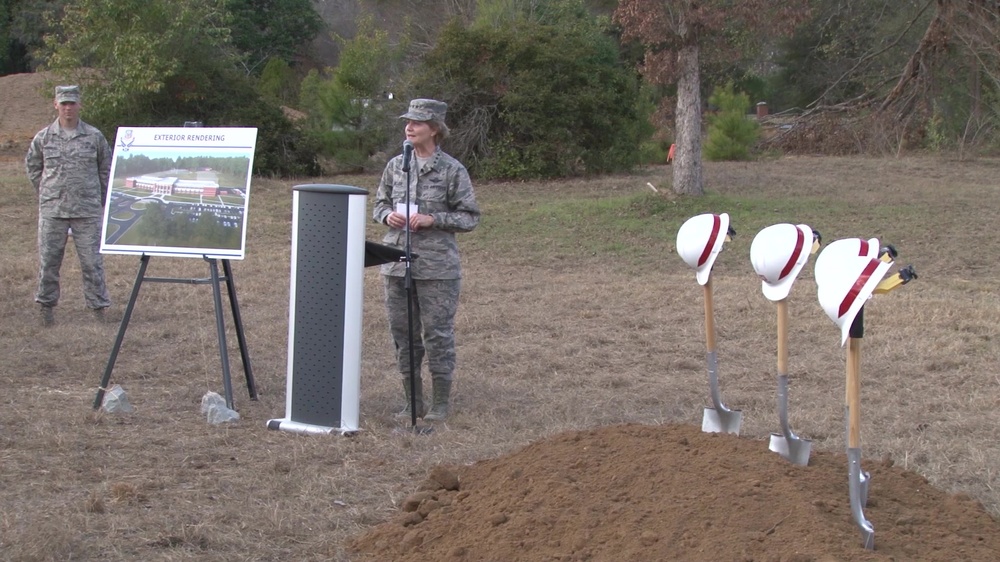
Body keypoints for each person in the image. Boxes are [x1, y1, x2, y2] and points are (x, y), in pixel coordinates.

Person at [373, 98, 481, 421]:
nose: (409, 127)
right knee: (403, 336)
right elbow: (378, 205)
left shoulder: (452, 170)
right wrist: (387, 216)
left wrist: (434, 219)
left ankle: (440, 403)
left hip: (436, 269)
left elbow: (470, 217)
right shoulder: (395, 166)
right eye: (408, 122)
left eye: (417, 123)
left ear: (434, 129)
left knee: (437, 335)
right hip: (396, 264)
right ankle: (413, 402)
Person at [25, 85, 113, 326]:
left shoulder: (94, 137)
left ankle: (98, 309)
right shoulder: (44, 137)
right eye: (63, 103)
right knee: (49, 261)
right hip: (53, 211)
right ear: (56, 104)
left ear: (79, 105)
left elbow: (106, 169)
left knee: (92, 262)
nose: (68, 107)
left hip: (87, 211)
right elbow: (33, 167)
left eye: (72, 103)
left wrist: (100, 200)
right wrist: (46, 192)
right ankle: (46, 307)